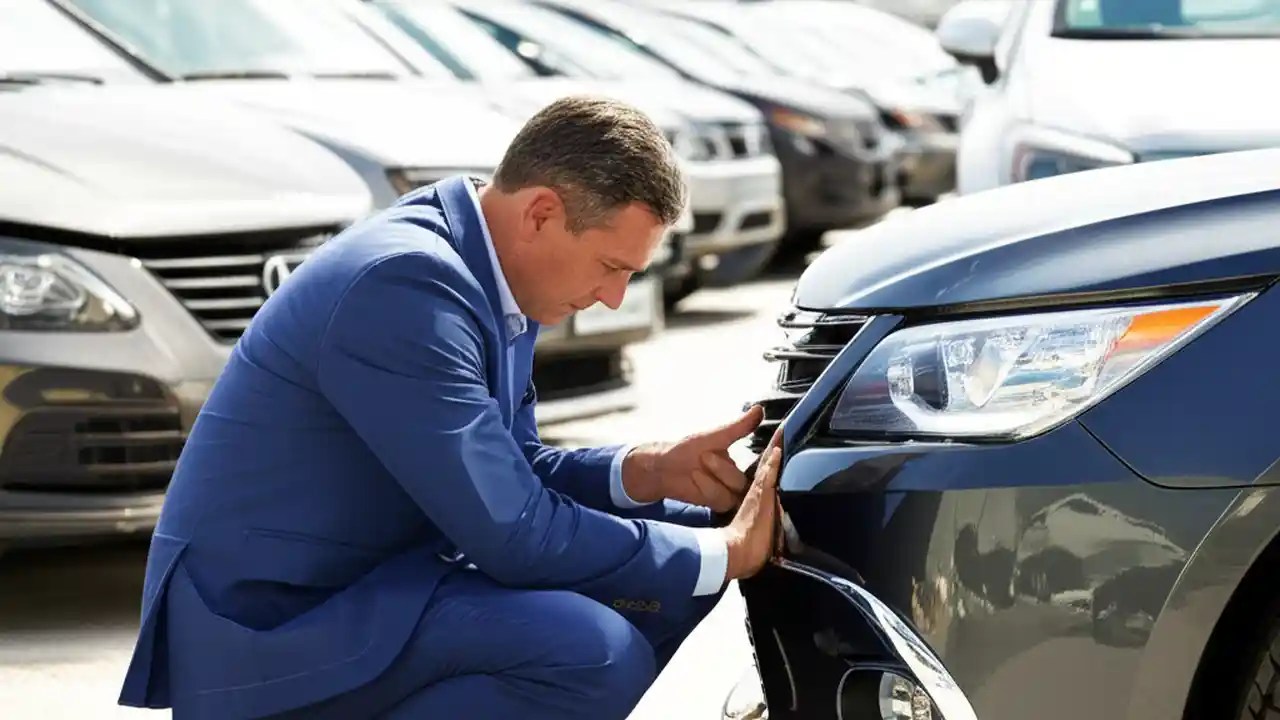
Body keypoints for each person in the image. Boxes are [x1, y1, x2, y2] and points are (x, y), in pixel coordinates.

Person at [118, 95, 782, 719]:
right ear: (542, 213)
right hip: (276, 620)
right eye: (612, 266)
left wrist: (645, 472)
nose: (613, 297)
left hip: (377, 581)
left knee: (683, 529)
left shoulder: (483, 264)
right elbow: (515, 532)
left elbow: (513, 469)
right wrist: (720, 553)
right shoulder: (405, 286)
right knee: (589, 649)